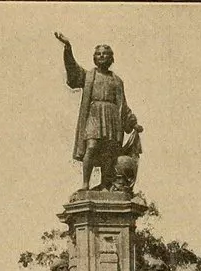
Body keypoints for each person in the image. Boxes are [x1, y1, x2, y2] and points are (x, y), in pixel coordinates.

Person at [55, 32, 142, 192]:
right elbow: (73, 70)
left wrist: (133, 122)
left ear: (111, 58)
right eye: (99, 54)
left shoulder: (117, 81)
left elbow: (123, 105)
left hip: (112, 118)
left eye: (105, 54)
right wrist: (68, 48)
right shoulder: (89, 76)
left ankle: (104, 184)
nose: (102, 56)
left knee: (109, 153)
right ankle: (86, 184)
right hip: (94, 115)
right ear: (94, 58)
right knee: (92, 146)